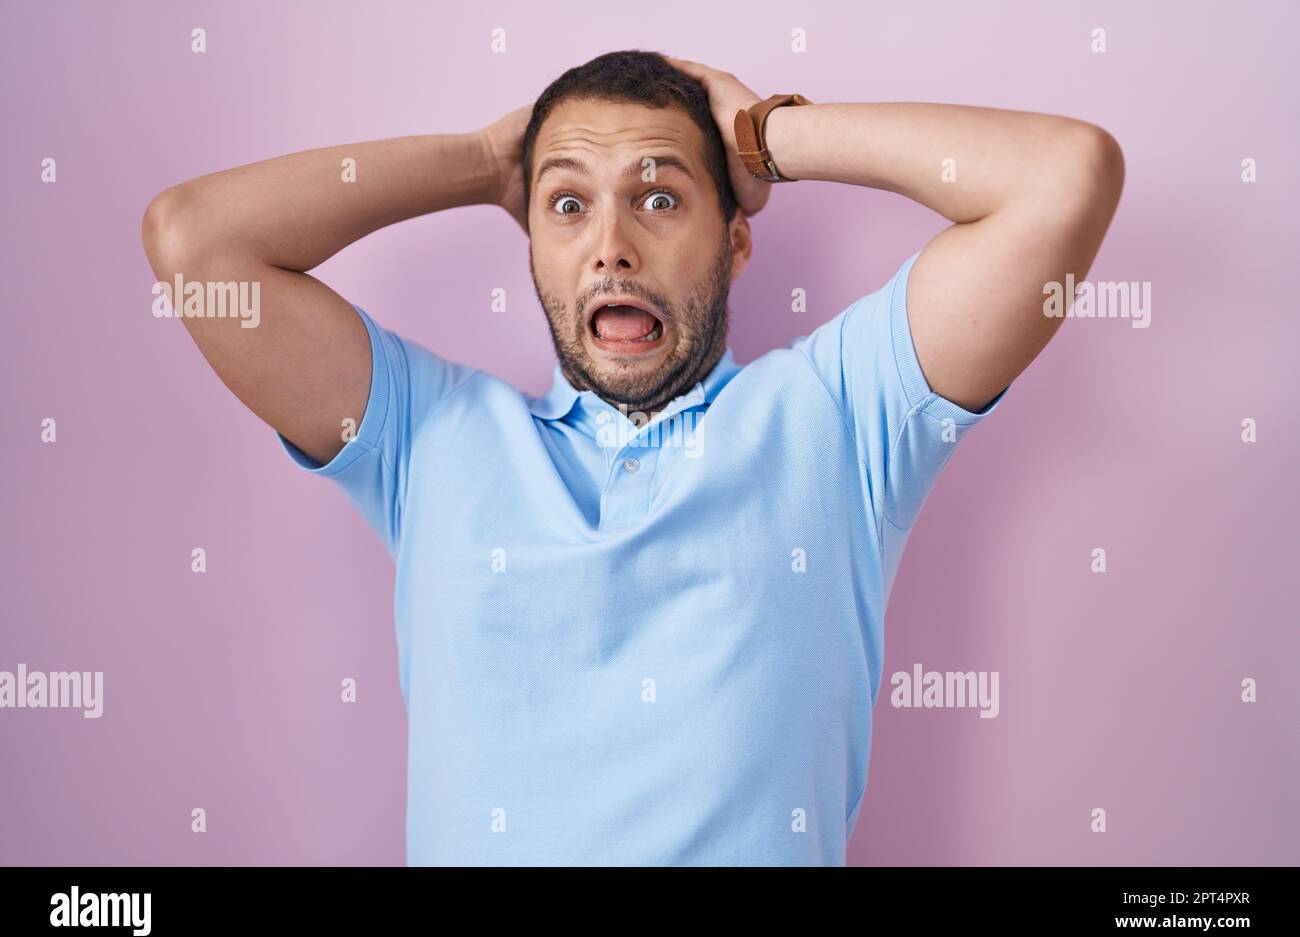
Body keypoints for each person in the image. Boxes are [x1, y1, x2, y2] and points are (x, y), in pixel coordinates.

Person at [140, 49, 1124, 865]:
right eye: (566, 207)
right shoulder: (425, 435)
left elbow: (1064, 175)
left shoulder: (840, 415)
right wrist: (489, 158)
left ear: (736, 243)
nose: (610, 244)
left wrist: (764, 137)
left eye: (659, 198)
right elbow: (194, 242)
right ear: (528, 245)